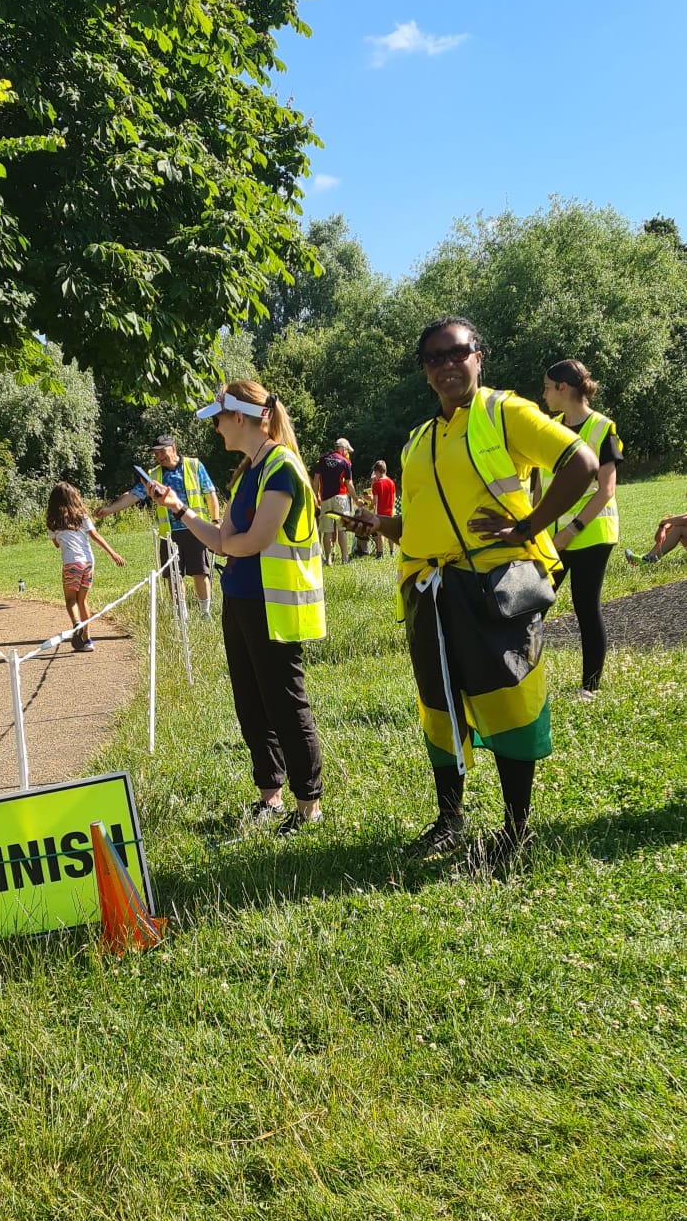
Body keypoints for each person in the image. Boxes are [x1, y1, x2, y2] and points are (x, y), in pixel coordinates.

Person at [347, 317, 599, 871]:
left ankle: (514, 832)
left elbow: (581, 463)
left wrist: (530, 525)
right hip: (428, 594)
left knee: (508, 703)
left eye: (456, 352)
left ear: (478, 356)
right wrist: (378, 523)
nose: (446, 364)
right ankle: (449, 819)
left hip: (494, 588)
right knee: (440, 709)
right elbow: (415, 524)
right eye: (433, 357)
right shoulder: (417, 439)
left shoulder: (503, 412)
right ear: (424, 371)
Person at [152, 381, 325, 833]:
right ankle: (270, 795)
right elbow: (221, 537)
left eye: (219, 419)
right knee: (250, 702)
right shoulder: (248, 469)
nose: (215, 429)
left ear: (245, 418)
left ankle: (308, 804)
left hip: (274, 605)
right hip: (242, 600)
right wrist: (180, 510)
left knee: (286, 703)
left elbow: (251, 540)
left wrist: (226, 542)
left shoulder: (281, 467)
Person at [541, 359, 622, 698]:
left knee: (585, 607)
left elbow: (606, 489)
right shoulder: (549, 428)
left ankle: (590, 688)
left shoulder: (603, 427)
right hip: (553, 535)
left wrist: (571, 530)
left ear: (563, 388)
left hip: (591, 532)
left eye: (547, 388)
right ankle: (519, 682)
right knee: (533, 604)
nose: (543, 395)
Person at [96, 436, 220, 617]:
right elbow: (133, 495)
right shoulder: (152, 475)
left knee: (200, 571)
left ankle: (205, 612)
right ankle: (181, 614)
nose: (159, 456)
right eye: (156, 454)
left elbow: (210, 494)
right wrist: (109, 510)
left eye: (162, 451)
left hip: (196, 528)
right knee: (173, 575)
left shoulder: (194, 465)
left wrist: (215, 521)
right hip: (169, 533)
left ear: (173, 449)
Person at [46, 481, 125, 654]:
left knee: (70, 601)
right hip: (88, 563)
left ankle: (76, 624)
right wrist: (113, 554)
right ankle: (87, 639)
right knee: (83, 600)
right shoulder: (82, 516)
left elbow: (56, 545)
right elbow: (95, 535)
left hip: (70, 563)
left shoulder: (53, 521)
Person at [312, 438, 355, 566]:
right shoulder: (344, 462)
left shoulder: (323, 459)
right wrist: (356, 499)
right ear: (343, 448)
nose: (347, 453)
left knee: (327, 531)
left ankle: (328, 559)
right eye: (347, 450)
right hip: (340, 497)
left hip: (325, 499)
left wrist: (316, 496)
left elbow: (315, 479)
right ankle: (344, 558)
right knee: (342, 529)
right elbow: (349, 484)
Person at [370, 459, 396, 557]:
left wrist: (370, 502)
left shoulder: (376, 484)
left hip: (381, 511)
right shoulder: (391, 482)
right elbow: (393, 497)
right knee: (391, 533)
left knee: (380, 533)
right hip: (390, 511)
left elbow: (375, 501)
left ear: (377, 471)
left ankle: (380, 553)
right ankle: (392, 552)